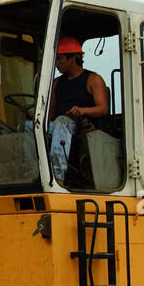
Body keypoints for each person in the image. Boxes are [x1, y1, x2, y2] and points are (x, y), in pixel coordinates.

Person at [47, 36, 109, 184]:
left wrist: (82, 111)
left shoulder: (93, 79)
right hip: (59, 125)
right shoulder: (57, 83)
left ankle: (57, 176)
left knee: (62, 121)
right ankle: (32, 170)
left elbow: (103, 108)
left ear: (73, 58)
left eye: (59, 59)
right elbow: (51, 114)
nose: (56, 63)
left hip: (83, 126)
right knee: (29, 127)